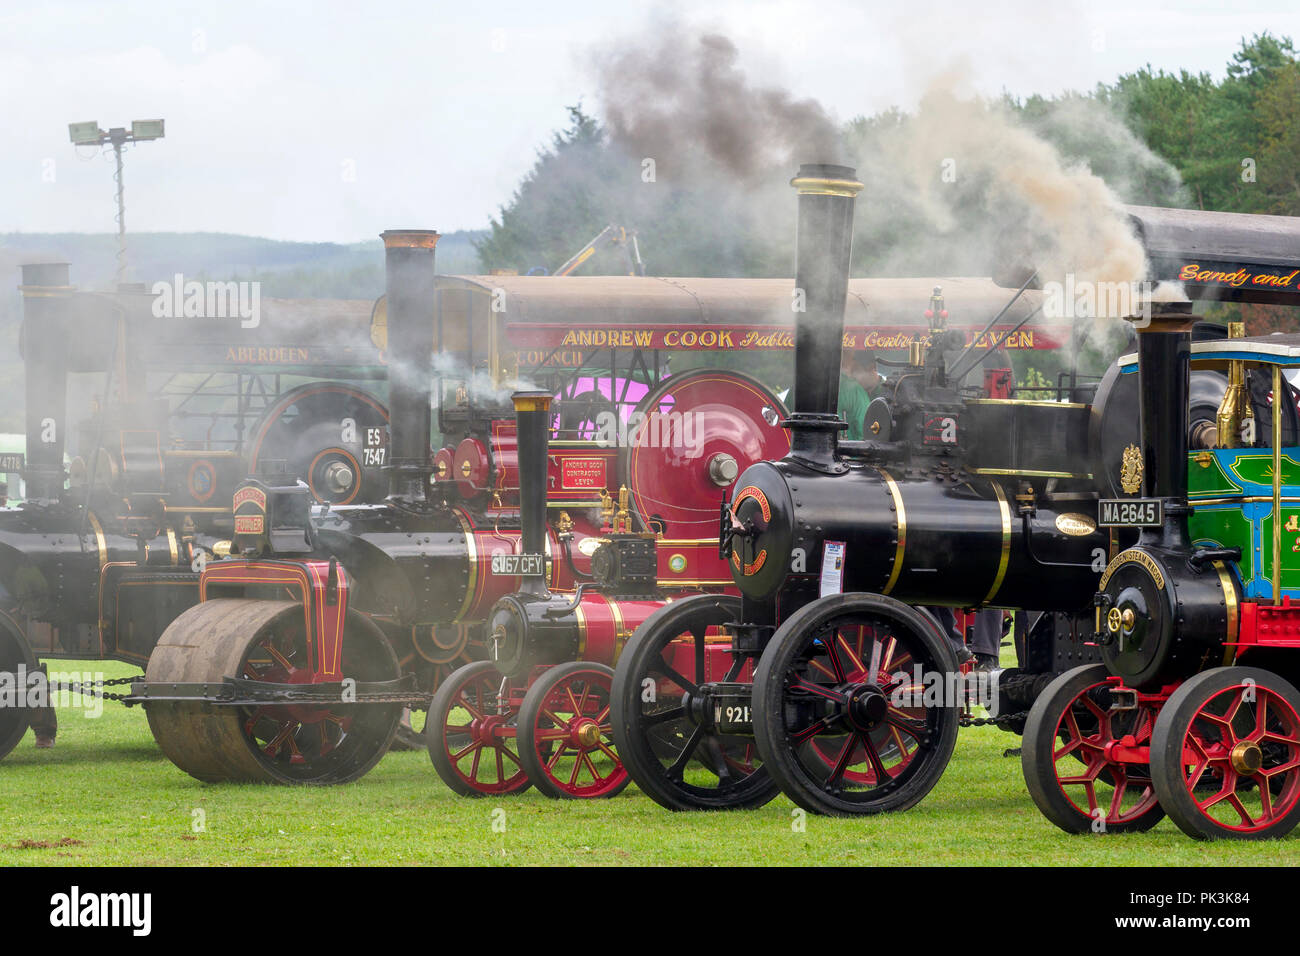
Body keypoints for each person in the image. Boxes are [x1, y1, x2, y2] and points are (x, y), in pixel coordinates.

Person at [838, 352, 885, 441]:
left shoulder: (889, 391)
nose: (852, 375)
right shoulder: (856, 391)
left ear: (871, 367)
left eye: (855, 370)